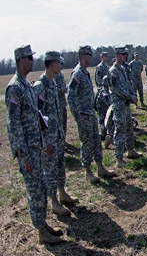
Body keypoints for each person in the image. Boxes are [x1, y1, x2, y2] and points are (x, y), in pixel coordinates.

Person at [6, 45, 64, 244]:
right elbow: (13, 124)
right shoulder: (15, 87)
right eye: (29, 58)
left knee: (41, 186)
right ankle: (40, 232)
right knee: (35, 191)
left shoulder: (25, 85)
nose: (32, 61)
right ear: (21, 61)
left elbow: (35, 115)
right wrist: (23, 154)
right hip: (28, 151)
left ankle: (43, 223)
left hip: (36, 145)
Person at [34, 51, 78, 217]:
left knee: (59, 166)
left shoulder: (52, 83)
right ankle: (53, 202)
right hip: (48, 139)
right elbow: (36, 115)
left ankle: (62, 193)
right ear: (52, 64)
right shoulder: (40, 86)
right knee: (50, 169)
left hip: (58, 135)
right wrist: (45, 142)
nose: (61, 65)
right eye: (59, 63)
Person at [68, 45, 117, 184]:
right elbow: (71, 97)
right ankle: (88, 171)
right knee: (86, 143)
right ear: (84, 56)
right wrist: (78, 116)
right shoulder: (77, 73)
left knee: (96, 141)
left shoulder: (85, 72)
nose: (91, 57)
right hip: (84, 116)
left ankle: (100, 168)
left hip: (90, 114)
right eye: (89, 55)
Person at [108, 46, 141, 167]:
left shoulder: (122, 69)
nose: (125, 56)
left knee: (129, 128)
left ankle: (130, 150)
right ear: (117, 55)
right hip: (119, 105)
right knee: (120, 130)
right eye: (122, 54)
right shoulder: (113, 71)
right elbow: (117, 89)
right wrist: (130, 96)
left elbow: (127, 85)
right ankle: (119, 158)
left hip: (125, 104)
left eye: (125, 54)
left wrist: (132, 94)